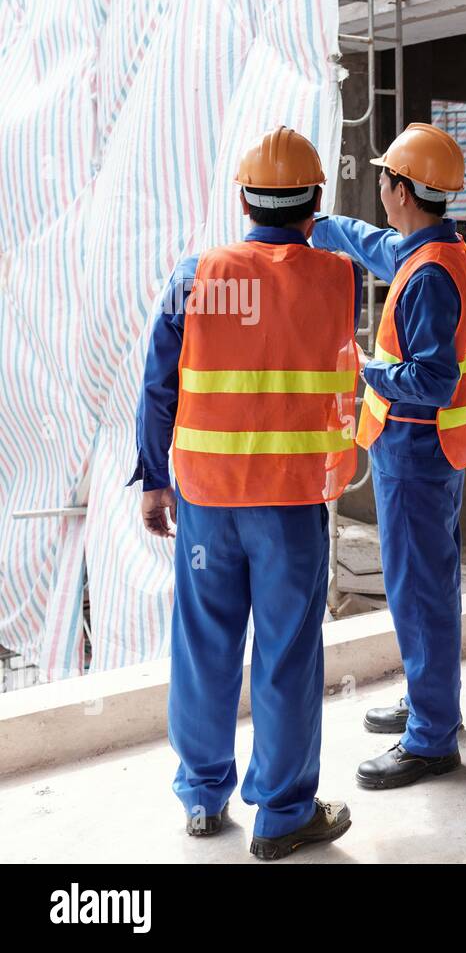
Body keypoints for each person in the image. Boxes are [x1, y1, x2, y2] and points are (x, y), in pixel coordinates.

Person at [130, 126, 360, 859]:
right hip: (290, 502)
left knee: (205, 644)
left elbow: (157, 383)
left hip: (206, 497)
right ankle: (283, 812)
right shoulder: (335, 278)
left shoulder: (196, 274)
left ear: (242, 198)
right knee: (287, 652)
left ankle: (202, 796)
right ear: (315, 203)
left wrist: (152, 479)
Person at [311, 122, 466, 790]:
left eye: (384, 179)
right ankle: (432, 704)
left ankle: (430, 739)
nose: (380, 190)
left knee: (417, 588)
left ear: (399, 189)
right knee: (429, 583)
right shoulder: (439, 248)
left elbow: (433, 378)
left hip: (417, 448)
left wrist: (369, 369)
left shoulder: (427, 280)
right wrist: (326, 226)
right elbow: (382, 246)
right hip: (429, 450)